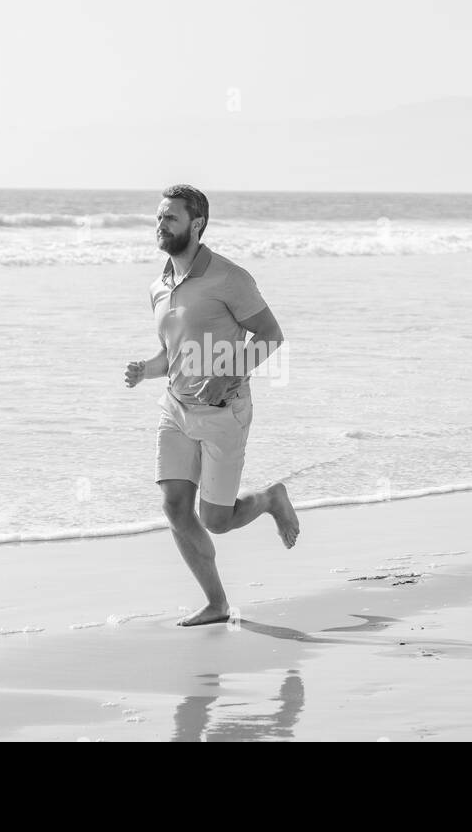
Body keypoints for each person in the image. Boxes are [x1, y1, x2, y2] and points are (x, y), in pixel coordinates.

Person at [124, 184, 300, 627]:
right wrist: (146, 369)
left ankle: (269, 499)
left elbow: (270, 336)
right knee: (174, 507)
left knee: (216, 521)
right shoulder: (158, 287)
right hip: (175, 410)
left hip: (226, 411)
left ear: (196, 225)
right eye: (159, 217)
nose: (160, 225)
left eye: (170, 218)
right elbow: (173, 354)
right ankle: (217, 603)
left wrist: (227, 374)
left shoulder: (229, 278)